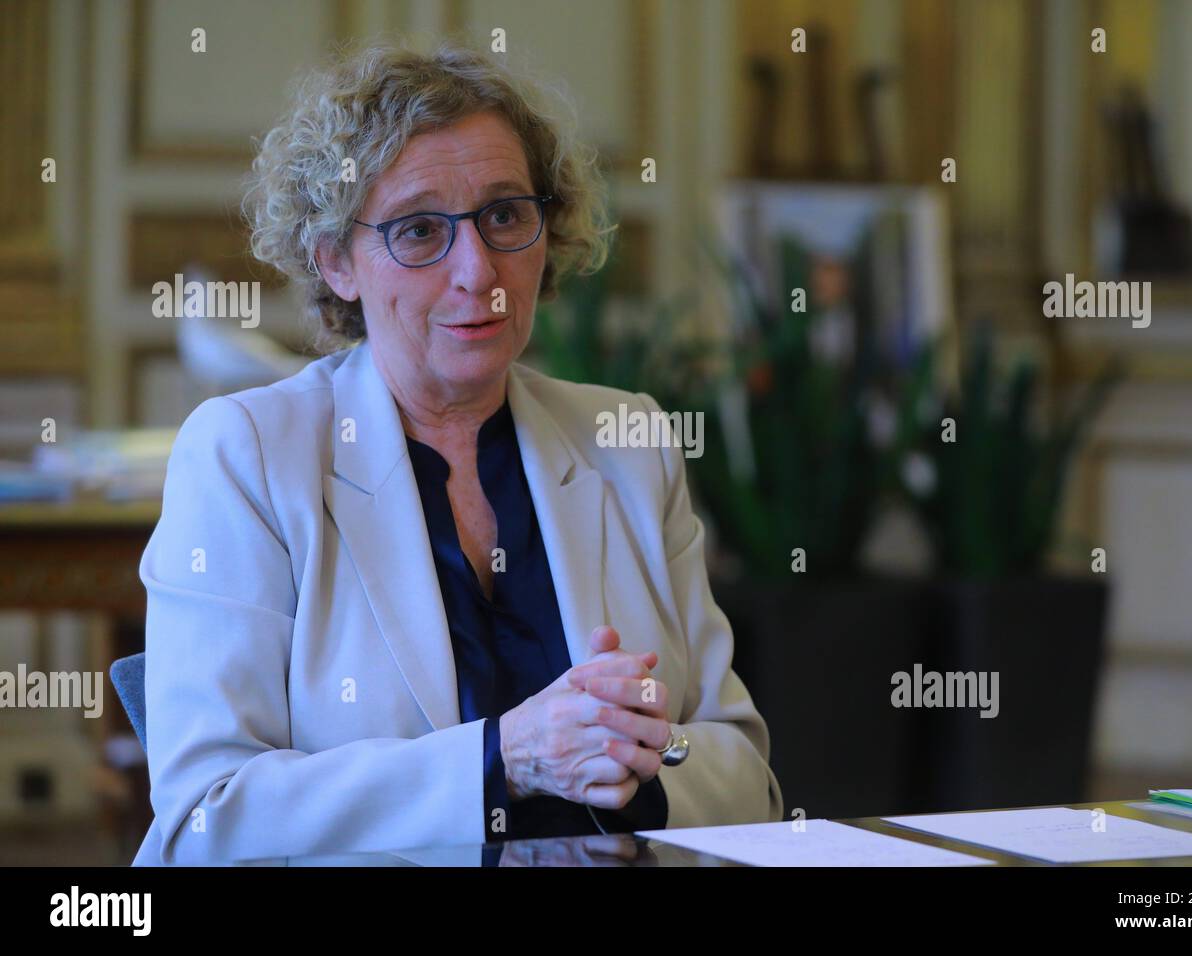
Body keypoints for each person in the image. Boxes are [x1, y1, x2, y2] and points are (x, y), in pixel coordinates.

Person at [132, 41, 781, 866]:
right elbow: (205, 817)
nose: (479, 271)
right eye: (420, 230)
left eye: (506, 215)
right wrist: (502, 761)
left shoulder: (631, 440)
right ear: (336, 261)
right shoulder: (249, 455)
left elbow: (741, 769)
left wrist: (639, 780)